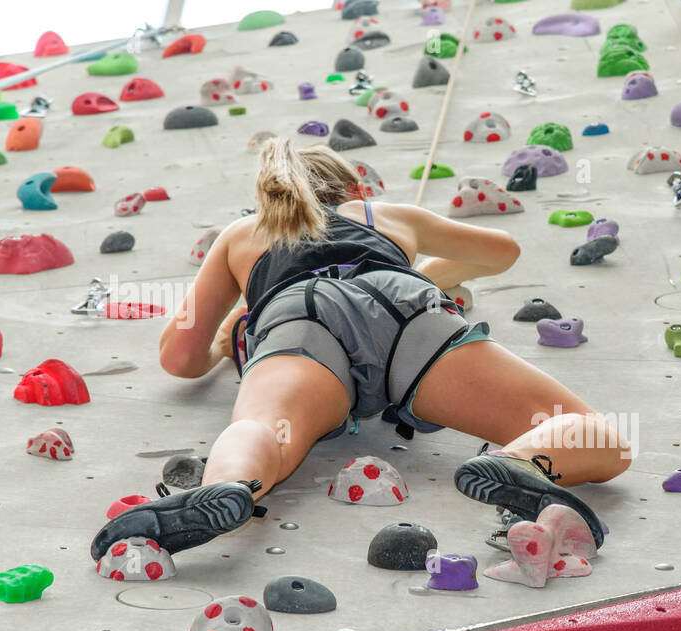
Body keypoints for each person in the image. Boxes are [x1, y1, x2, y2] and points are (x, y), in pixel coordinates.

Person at [90, 139, 629, 562]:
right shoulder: (388, 216)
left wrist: (231, 341)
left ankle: (230, 485)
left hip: (298, 320)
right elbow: (503, 252)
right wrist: (421, 277)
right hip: (406, 310)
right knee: (596, 436)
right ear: (352, 185)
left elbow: (178, 356)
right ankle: (516, 464)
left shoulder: (243, 233)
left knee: (265, 428)